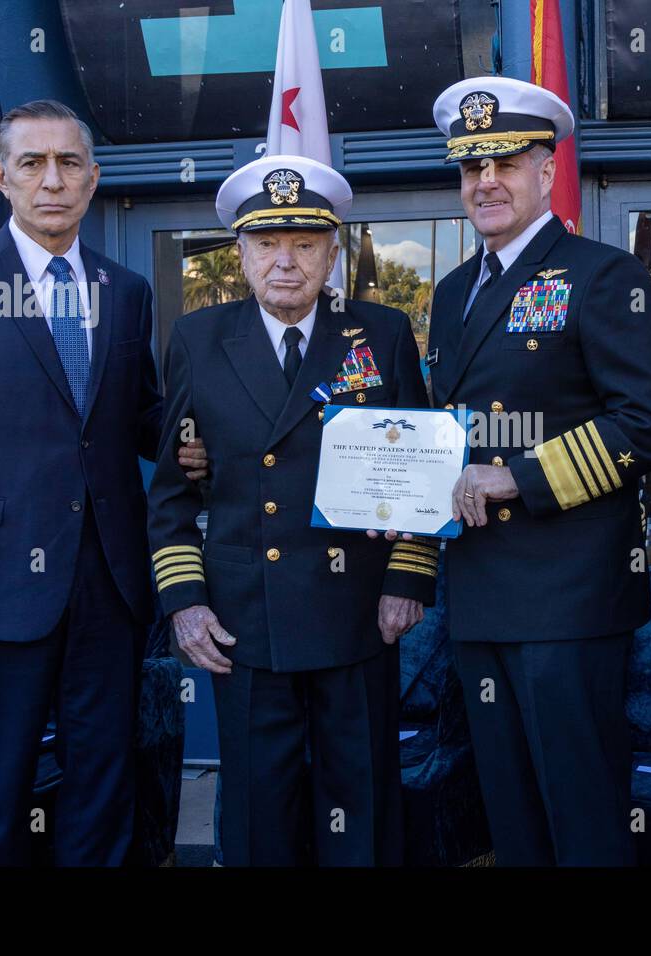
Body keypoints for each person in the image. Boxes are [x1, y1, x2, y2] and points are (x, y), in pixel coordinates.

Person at [0, 99, 206, 866]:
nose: (51, 180)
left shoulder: (124, 291)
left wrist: (208, 442)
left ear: (93, 181)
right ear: (3, 177)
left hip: (110, 585)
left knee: (104, 786)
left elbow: (141, 418)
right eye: (32, 163)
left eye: (69, 164)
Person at [147, 154, 435, 866]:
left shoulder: (382, 331)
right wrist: (185, 602)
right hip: (246, 622)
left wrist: (407, 578)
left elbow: (424, 469)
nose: (285, 262)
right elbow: (171, 494)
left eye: (304, 244)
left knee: (359, 802)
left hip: (358, 614)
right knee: (256, 809)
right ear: (239, 254)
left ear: (331, 253)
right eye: (266, 244)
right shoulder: (198, 340)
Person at [424, 77, 651, 865]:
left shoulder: (604, 277)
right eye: (472, 168)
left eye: (507, 161)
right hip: (477, 593)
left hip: (569, 599)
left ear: (547, 169)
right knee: (511, 816)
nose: (487, 182)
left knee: (582, 813)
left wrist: (517, 477)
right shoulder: (450, 294)